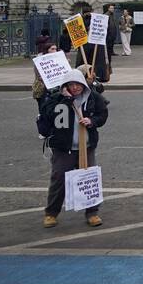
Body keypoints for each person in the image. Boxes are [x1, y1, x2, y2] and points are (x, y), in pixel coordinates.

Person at [37, 68, 108, 228]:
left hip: (86, 146)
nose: (75, 87)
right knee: (59, 179)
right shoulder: (57, 99)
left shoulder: (93, 97)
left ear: (83, 83)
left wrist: (92, 121)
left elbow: (102, 114)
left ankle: (92, 213)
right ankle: (51, 213)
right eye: (71, 84)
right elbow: (49, 115)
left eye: (78, 84)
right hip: (63, 148)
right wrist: (66, 100)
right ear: (65, 86)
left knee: (89, 180)